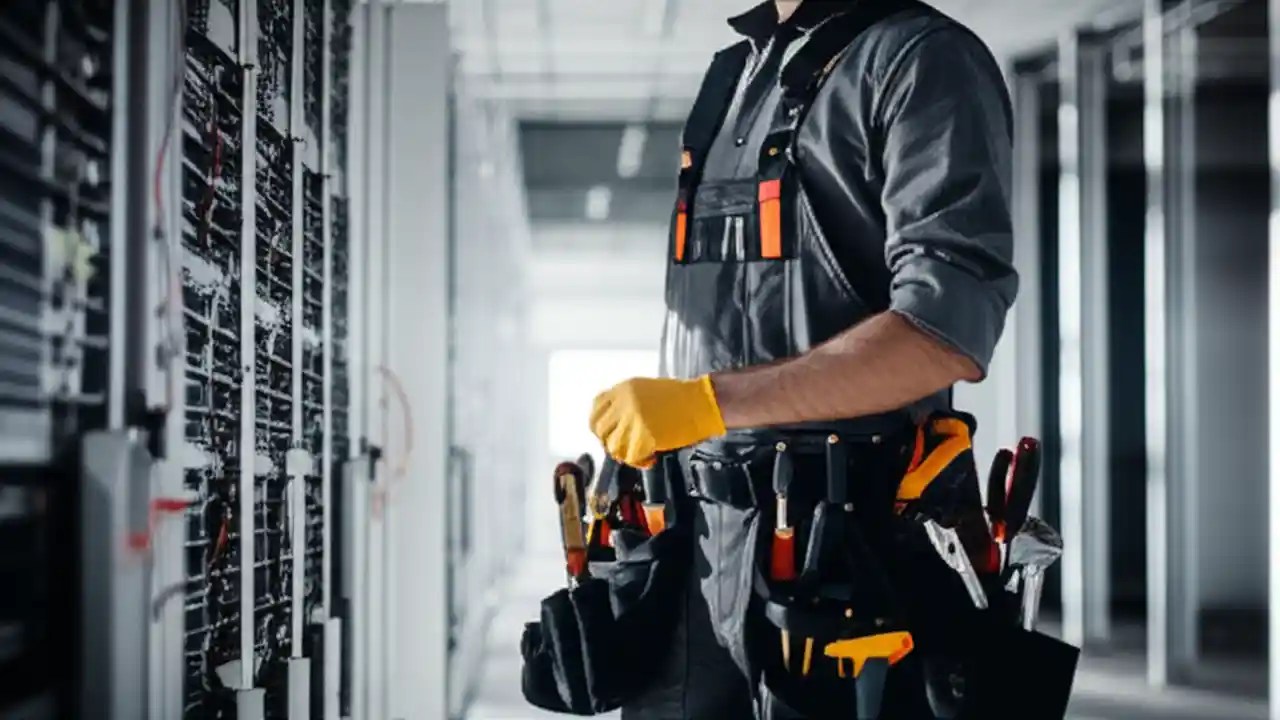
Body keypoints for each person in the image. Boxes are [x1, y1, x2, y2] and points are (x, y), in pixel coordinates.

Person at [589, 0, 1015, 718]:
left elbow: (940, 335)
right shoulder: (739, 73)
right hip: (693, 547)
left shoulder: (921, 61)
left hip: (843, 557)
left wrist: (710, 403)